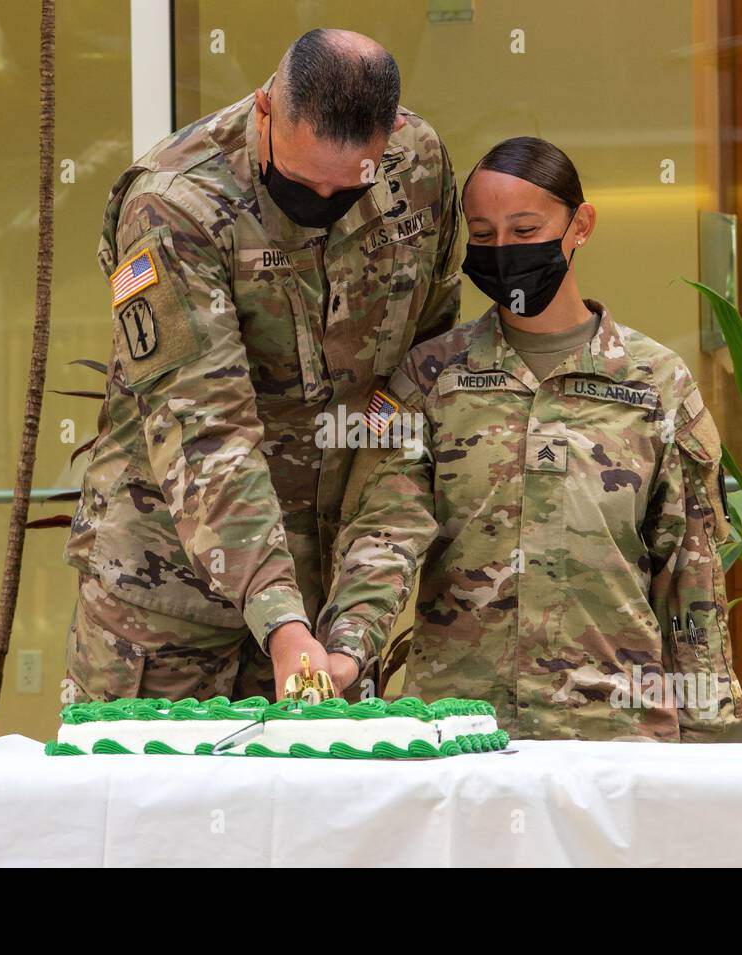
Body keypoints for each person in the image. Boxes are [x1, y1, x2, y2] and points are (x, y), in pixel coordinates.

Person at [63, 30, 461, 705]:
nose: (321, 206)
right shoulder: (175, 203)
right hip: (169, 601)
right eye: (301, 185)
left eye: (346, 190)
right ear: (265, 109)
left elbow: (409, 400)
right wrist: (283, 625)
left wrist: (356, 621)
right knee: (155, 806)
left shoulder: (418, 170)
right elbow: (205, 432)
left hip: (328, 592)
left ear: (392, 133)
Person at [316, 136, 742, 741]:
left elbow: (691, 570)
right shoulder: (430, 377)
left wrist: (702, 728)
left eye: (524, 231)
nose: (504, 252)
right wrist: (346, 654)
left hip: (615, 729)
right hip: (460, 726)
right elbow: (384, 536)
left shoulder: (657, 384)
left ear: (581, 225)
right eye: (484, 235)